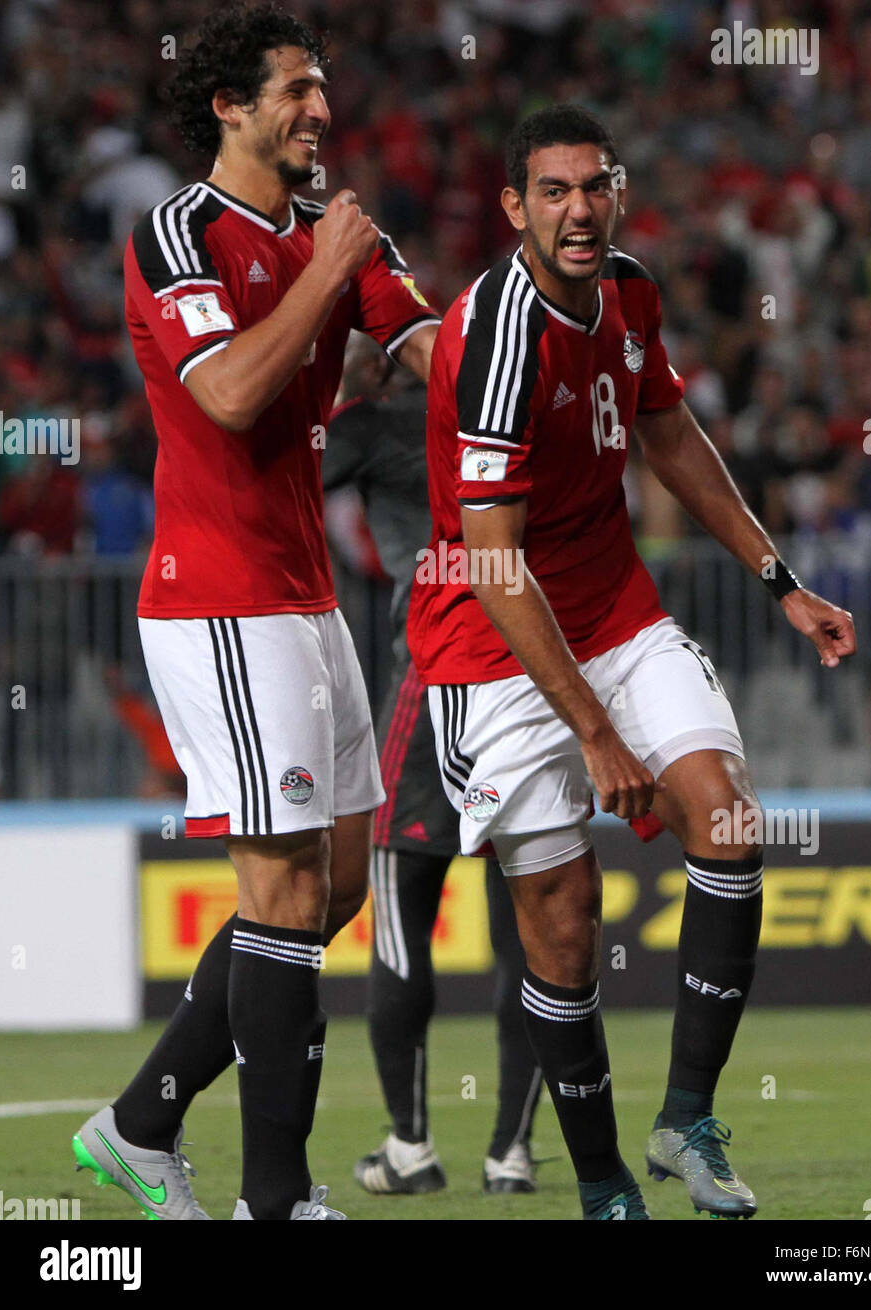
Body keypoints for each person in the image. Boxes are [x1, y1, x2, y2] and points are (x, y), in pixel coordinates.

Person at [407, 104, 856, 1221]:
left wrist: (779, 579)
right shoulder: (497, 339)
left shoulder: (632, 290)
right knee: (562, 926)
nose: (577, 209)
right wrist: (597, 735)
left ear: (617, 190)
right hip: (493, 646)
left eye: (593, 186)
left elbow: (669, 438)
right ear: (514, 207)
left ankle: (685, 1121)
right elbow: (494, 564)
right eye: (552, 191)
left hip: (614, 610)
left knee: (729, 815)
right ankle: (602, 1182)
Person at [71, 1, 439, 1221]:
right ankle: (274, 1201)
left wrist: (518, 333)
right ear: (228, 105)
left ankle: (139, 1125)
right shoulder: (179, 233)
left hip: (303, 595)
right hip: (218, 596)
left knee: (332, 883)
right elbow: (226, 391)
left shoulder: (338, 232)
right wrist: (327, 268)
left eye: (323, 88)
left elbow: (426, 340)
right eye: (293, 89)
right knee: (279, 889)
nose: (320, 109)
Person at [322, 333, 543, 1196]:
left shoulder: (374, 425)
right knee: (529, 928)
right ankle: (511, 1152)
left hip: (433, 674)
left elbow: (286, 483)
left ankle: (410, 1148)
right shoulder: (512, 417)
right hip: (528, 674)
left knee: (402, 912)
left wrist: (339, 389)